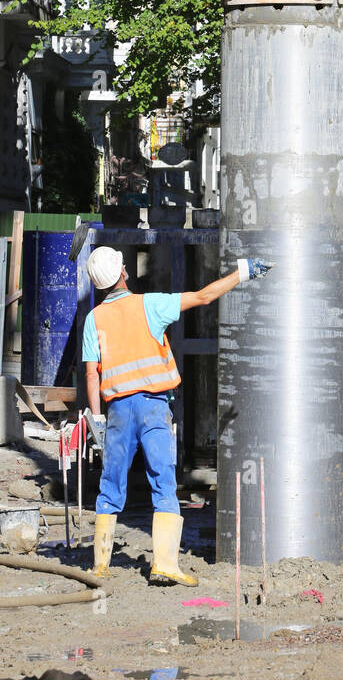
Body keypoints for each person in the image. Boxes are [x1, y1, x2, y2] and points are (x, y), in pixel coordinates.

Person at [84, 245, 271, 585]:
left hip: (117, 412)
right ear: (123, 272)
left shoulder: (93, 319)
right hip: (154, 407)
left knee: (110, 484)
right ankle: (165, 565)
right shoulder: (150, 305)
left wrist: (96, 419)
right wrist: (241, 273)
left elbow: (91, 374)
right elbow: (202, 297)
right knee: (163, 481)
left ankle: (100, 565)